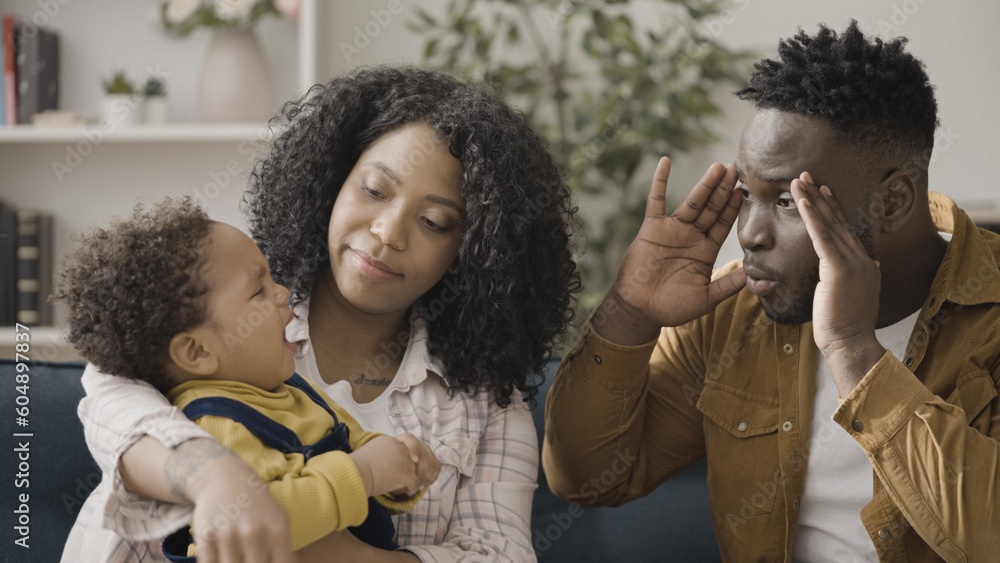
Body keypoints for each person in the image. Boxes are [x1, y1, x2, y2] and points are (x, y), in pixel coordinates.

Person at [60, 65, 579, 563]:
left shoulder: (486, 401)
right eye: (374, 190)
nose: (388, 233)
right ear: (332, 181)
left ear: (473, 250)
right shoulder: (212, 314)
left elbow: (502, 555)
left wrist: (334, 553)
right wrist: (212, 476)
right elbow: (113, 408)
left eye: (434, 221)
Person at [543, 20, 999, 562]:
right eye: (745, 195)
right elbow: (586, 480)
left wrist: (855, 353)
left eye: (786, 201)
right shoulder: (733, 312)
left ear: (893, 201)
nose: (750, 233)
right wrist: (629, 310)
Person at [55, 197, 441, 559]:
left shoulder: (287, 391)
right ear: (197, 352)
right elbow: (266, 515)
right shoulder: (214, 423)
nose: (283, 293)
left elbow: (354, 444)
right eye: (259, 290)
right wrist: (368, 473)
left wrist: (401, 469)